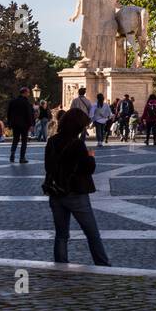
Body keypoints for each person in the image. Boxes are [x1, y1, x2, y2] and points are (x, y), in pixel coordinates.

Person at [43, 106, 111, 266]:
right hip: (76, 194)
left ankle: (60, 265)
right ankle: (102, 264)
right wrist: (91, 157)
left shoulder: (52, 141)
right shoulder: (78, 144)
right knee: (92, 233)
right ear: (77, 126)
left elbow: (48, 167)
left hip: (56, 193)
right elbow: (87, 169)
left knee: (61, 235)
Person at [7, 89, 35, 163]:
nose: (29, 94)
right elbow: (29, 114)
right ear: (25, 93)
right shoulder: (26, 102)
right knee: (24, 141)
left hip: (15, 124)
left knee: (15, 140)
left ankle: (12, 154)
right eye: (28, 92)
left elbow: (9, 114)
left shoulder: (13, 101)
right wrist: (31, 124)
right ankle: (22, 158)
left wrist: (9, 123)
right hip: (24, 125)